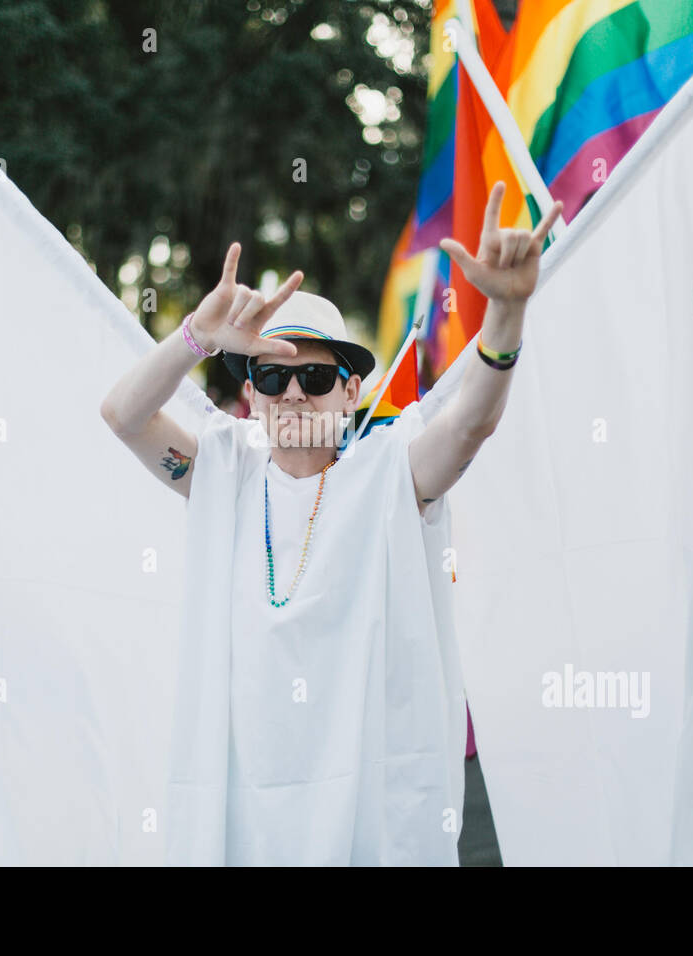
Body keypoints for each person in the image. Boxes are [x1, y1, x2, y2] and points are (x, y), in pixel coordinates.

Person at [100, 183, 562, 865]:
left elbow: (471, 424)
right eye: (272, 375)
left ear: (350, 391)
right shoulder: (221, 470)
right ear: (249, 393)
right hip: (244, 816)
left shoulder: (391, 473)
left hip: (367, 817)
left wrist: (508, 314)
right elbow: (122, 415)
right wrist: (197, 336)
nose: (293, 393)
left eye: (315, 379)